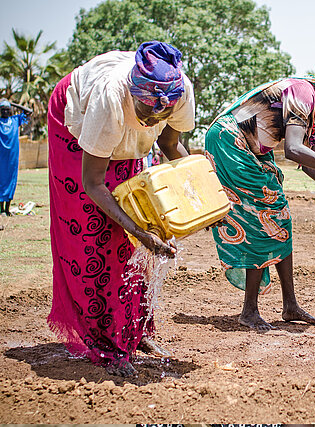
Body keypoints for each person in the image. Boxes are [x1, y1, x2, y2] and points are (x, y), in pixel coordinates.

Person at [46, 41, 196, 376]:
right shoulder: (109, 97)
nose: (151, 122)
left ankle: (137, 331)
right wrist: (139, 232)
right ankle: (105, 343)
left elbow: (169, 145)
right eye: (145, 113)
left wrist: (203, 192)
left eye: (161, 115)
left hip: (116, 136)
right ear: (133, 92)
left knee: (138, 214)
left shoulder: (179, 92)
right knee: (93, 234)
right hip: (75, 126)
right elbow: (93, 183)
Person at [205, 62, 315, 331]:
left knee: (280, 218)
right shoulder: (302, 92)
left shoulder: (313, 113)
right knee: (262, 217)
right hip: (230, 141)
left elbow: (309, 164)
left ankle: (290, 306)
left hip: (255, 149)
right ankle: (249, 311)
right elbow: (293, 150)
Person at [0, 99, 32, 216]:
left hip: (12, 157)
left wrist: (13, 104)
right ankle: (1, 209)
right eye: (3, 109)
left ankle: (7, 209)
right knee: (1, 181)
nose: (5, 112)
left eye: (7, 109)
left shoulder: (15, 120)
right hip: (1, 157)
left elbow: (29, 112)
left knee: (11, 181)